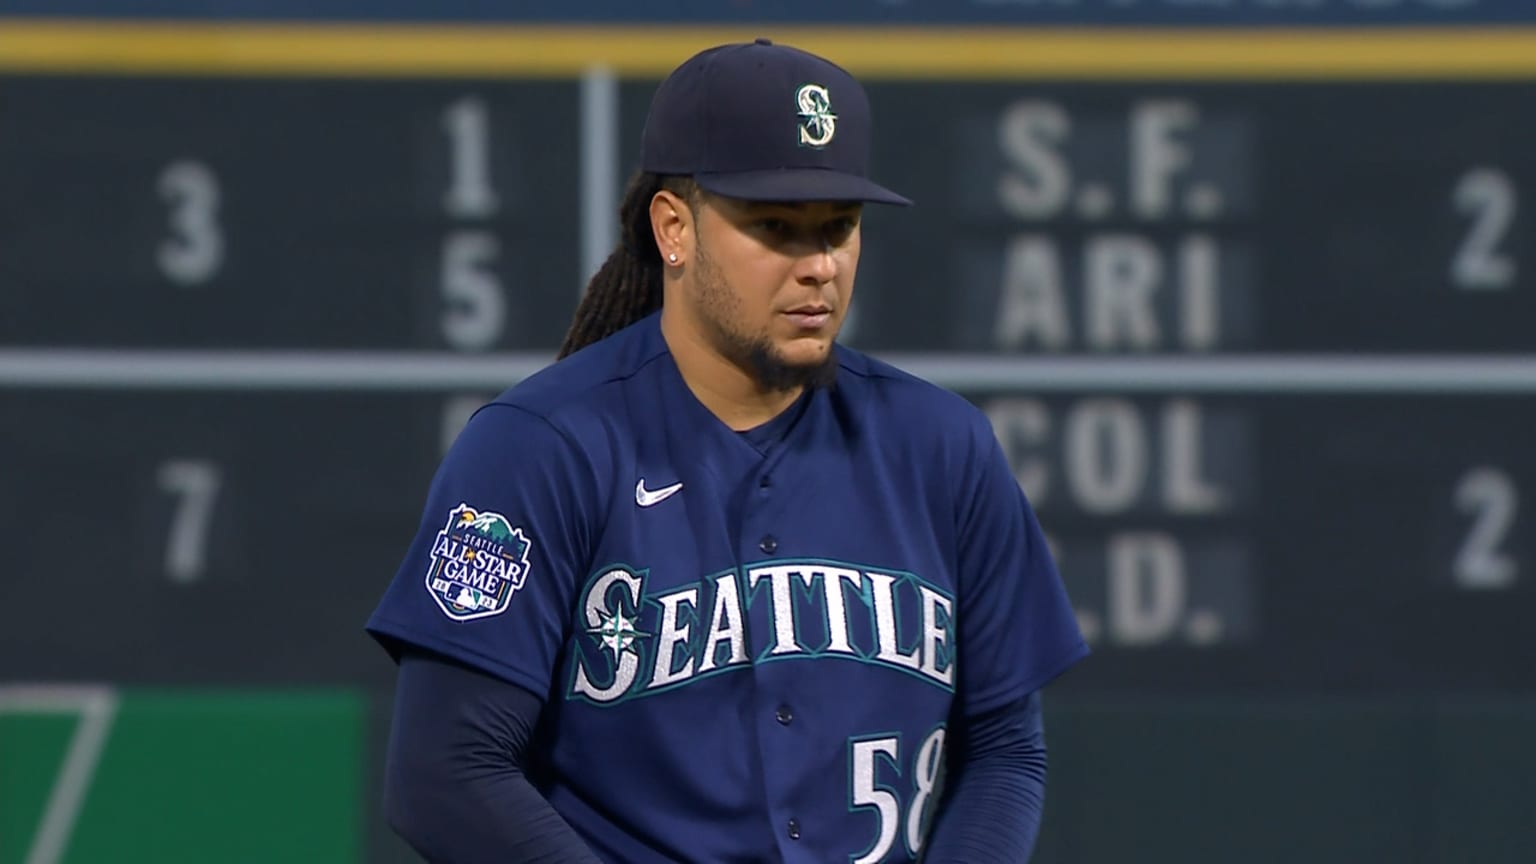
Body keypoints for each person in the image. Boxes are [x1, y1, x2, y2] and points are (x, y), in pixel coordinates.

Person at [366, 37, 1088, 863]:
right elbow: (445, 774)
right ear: (675, 228)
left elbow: (1004, 748)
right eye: (775, 228)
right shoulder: (541, 449)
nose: (817, 265)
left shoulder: (943, 447)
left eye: (839, 228)